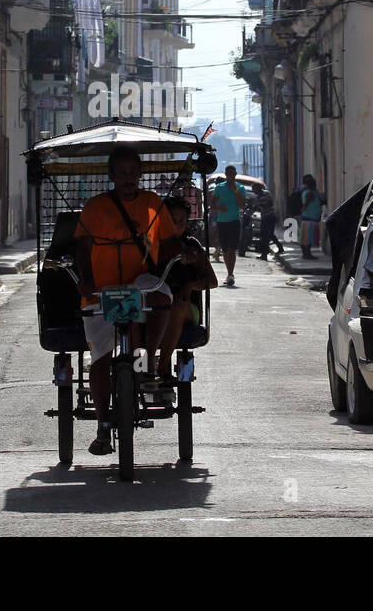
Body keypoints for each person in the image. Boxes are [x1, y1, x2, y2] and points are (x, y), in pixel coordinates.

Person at [73, 146, 187, 456]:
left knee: (161, 293)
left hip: (139, 283)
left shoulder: (152, 203)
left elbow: (166, 243)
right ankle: (102, 427)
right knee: (99, 358)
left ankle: (146, 359)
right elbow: (82, 249)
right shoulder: (94, 208)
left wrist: (177, 263)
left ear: (140, 175)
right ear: (111, 176)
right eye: (121, 174)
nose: (128, 179)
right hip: (101, 290)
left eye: (133, 174)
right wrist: (86, 281)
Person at [158, 196, 219, 385]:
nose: (176, 226)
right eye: (172, 221)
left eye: (181, 221)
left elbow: (213, 281)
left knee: (177, 306)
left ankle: (163, 363)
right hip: (155, 306)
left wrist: (191, 285)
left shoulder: (192, 246)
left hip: (185, 309)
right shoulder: (153, 243)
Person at [211, 165, 248, 286]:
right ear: (226, 175)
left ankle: (231, 274)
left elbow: (242, 205)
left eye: (233, 174)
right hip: (222, 222)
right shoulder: (219, 188)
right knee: (225, 250)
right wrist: (219, 208)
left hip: (234, 221)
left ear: (235, 174)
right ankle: (229, 273)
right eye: (229, 174)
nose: (231, 176)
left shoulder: (241, 188)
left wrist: (235, 190)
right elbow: (212, 204)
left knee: (232, 249)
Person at [251, 182, 284, 259]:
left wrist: (258, 206)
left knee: (266, 235)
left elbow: (267, 203)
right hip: (264, 217)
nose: (253, 191)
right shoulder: (258, 196)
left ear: (259, 188)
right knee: (268, 234)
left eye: (254, 189)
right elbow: (256, 207)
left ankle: (264, 254)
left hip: (270, 217)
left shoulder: (266, 194)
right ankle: (278, 247)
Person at [299, 174, 324, 260]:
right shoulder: (310, 193)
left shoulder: (307, 192)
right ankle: (307, 254)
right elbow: (306, 204)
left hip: (308, 217)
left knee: (305, 237)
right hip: (310, 217)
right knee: (308, 238)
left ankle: (306, 254)